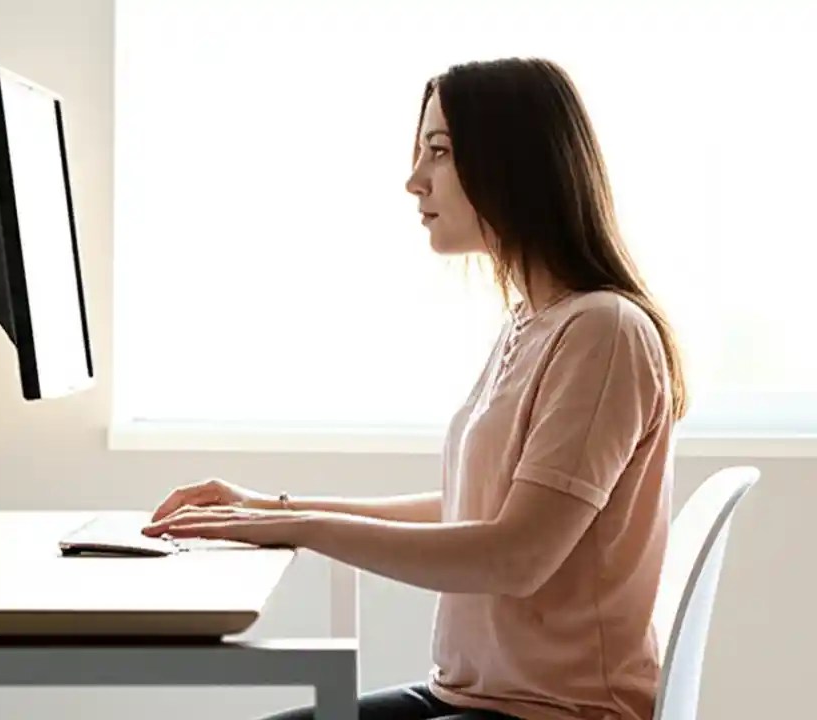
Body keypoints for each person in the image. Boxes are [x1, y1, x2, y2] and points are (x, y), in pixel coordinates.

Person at [143, 56, 686, 720]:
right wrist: (270, 508)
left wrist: (303, 527)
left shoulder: (604, 331)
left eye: (440, 152)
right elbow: (474, 508)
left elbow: (515, 557)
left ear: (512, 164)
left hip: (555, 713)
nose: (413, 180)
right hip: (472, 697)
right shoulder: (532, 322)